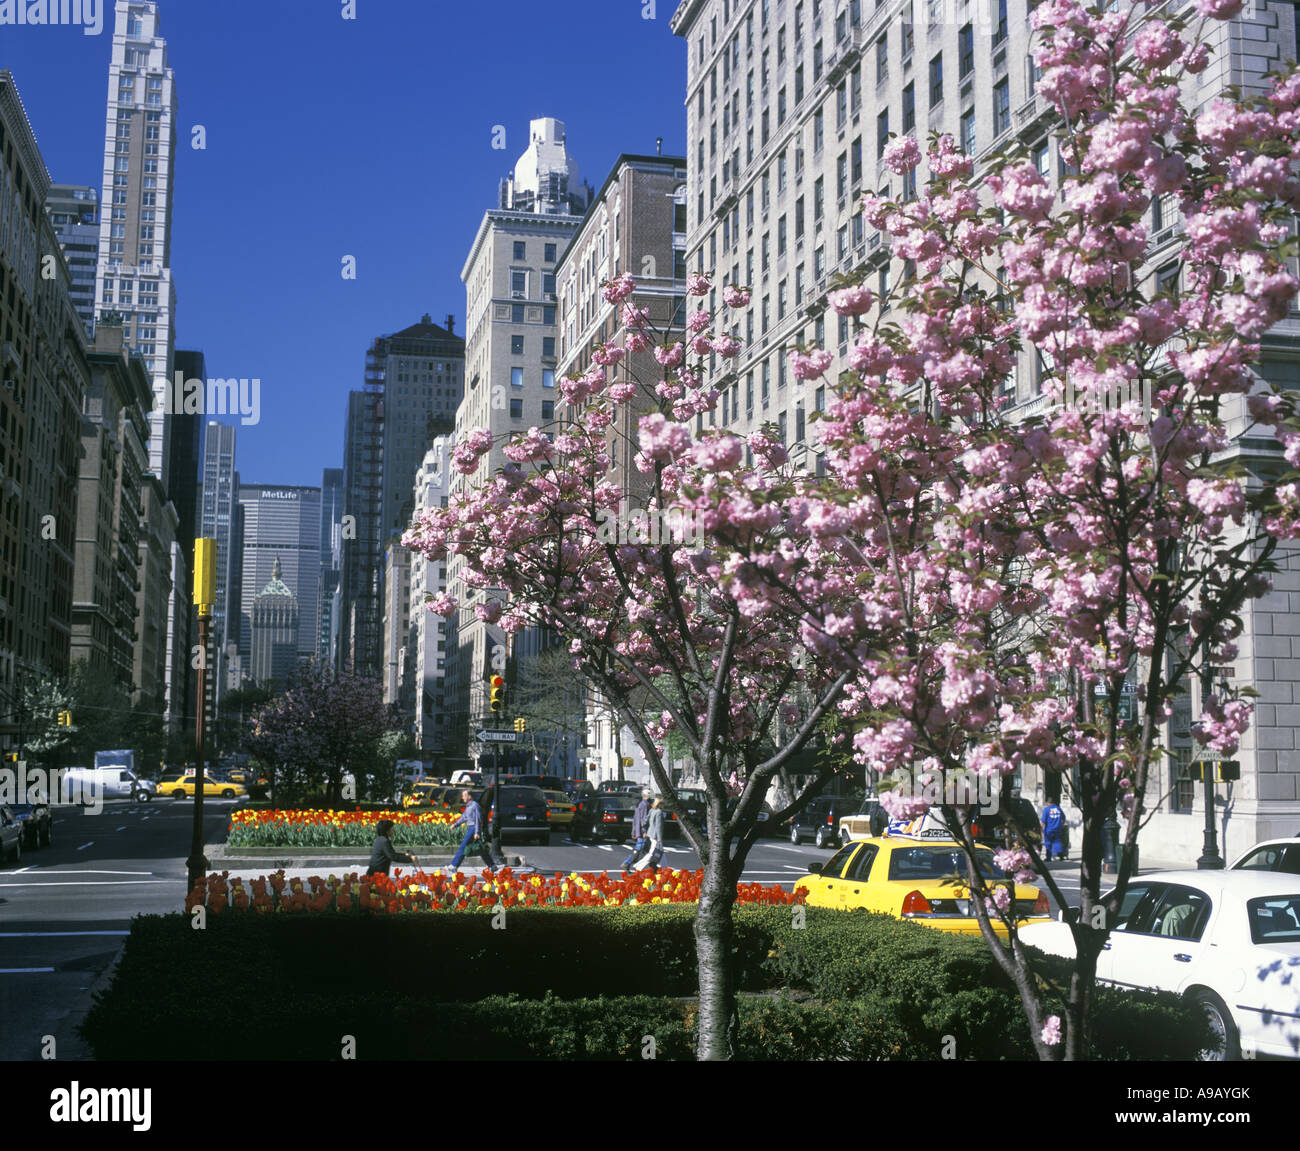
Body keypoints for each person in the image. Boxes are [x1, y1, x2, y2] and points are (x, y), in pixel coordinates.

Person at [447, 788, 496, 873]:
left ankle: (454, 865)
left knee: (463, 846)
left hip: (473, 829)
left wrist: (477, 832)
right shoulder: (469, 806)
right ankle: (492, 865)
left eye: (464, 795)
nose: (462, 797)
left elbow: (478, 819)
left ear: (469, 796)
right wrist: (455, 825)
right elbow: (464, 817)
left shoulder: (474, 805)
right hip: (471, 828)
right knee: (481, 849)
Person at [622, 788, 652, 870]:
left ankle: (652, 868)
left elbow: (636, 819)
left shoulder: (640, 804)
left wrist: (634, 831)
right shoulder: (645, 805)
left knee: (646, 850)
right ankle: (627, 863)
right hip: (643, 831)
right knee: (640, 848)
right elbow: (644, 820)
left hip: (640, 830)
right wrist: (645, 831)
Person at [633, 797, 666, 870]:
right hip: (655, 836)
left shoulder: (651, 810)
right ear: (660, 804)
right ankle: (638, 866)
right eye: (663, 803)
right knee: (652, 853)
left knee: (661, 852)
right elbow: (658, 826)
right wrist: (659, 839)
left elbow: (645, 821)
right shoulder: (659, 812)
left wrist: (645, 831)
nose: (664, 805)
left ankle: (665, 868)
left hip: (650, 833)